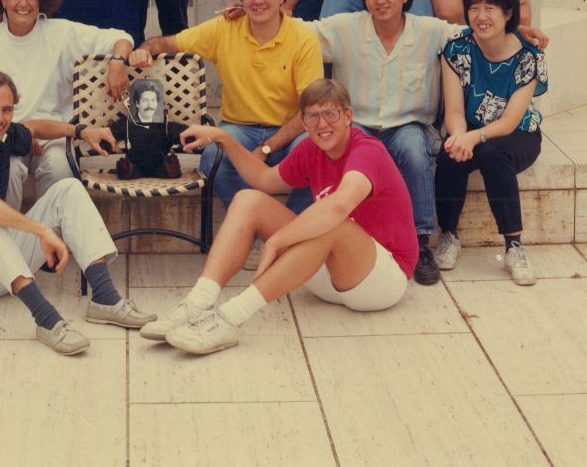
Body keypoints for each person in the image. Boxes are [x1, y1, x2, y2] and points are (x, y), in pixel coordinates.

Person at [311, 0, 548, 287]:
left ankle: (423, 241)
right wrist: (251, 17)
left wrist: (517, 29)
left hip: (428, 127)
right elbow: (299, 34)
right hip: (364, 125)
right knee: (438, 150)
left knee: (414, 146)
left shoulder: (431, 31)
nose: (380, 0)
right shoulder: (346, 28)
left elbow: (482, 31)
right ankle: (342, 235)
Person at [140, 78, 416, 355]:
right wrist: (224, 138)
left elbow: (338, 207)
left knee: (333, 222)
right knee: (248, 200)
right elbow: (263, 179)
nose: (322, 124)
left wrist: (276, 241)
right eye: (313, 116)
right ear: (304, 122)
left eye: (331, 114)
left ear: (348, 117)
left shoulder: (367, 150)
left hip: (381, 280)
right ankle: (197, 303)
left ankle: (228, 320)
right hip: (328, 274)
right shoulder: (311, 148)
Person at [0, 67, 156, 354]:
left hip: (0, 271)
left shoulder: (2, 136)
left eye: (7, 110)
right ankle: (47, 321)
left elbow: (34, 127)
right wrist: (39, 229)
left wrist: (82, 130)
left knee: (68, 189)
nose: (0, 118)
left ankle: (105, 297)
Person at [135, 0, 322, 217]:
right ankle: (253, 223)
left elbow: (310, 112)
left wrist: (266, 148)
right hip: (240, 129)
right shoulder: (225, 27)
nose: (258, 1)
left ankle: (294, 226)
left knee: (316, 148)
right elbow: (166, 43)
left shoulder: (303, 40)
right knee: (213, 155)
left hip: (289, 131)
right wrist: (144, 49)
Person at [0, 0, 141, 208]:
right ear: (2, 0)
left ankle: (48, 244)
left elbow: (121, 37)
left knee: (59, 168)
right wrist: (19, 136)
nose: (23, 4)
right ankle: (5, 242)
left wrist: (117, 63)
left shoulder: (61, 33)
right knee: (8, 168)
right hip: (2, 136)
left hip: (55, 137)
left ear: (41, 0)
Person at [434, 0, 548, 287]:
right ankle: (448, 235)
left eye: (490, 9)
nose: (481, 17)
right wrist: (459, 136)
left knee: (492, 153)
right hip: (470, 127)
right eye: (474, 8)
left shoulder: (529, 57)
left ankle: (514, 246)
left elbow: (510, 121)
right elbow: (455, 111)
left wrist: (473, 137)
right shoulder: (457, 49)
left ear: (508, 13)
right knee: (449, 156)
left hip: (519, 134)